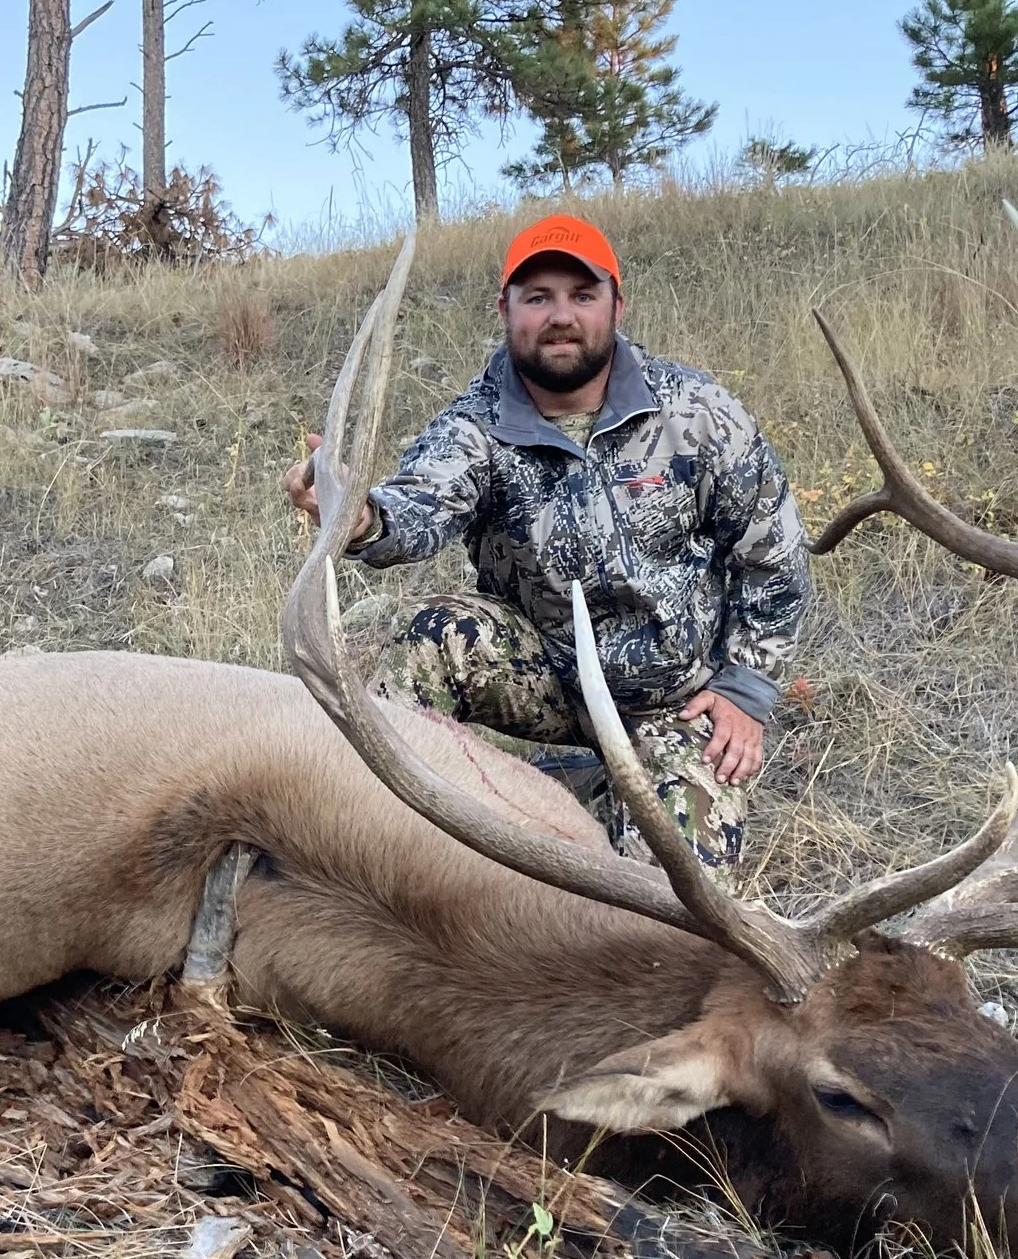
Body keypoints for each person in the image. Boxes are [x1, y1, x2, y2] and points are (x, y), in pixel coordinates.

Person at [283, 214, 809, 874]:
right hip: (547, 674)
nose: (561, 315)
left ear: (618, 304)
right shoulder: (478, 424)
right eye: (538, 297)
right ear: (505, 309)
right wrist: (360, 515)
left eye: (582, 295)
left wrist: (747, 689)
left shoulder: (698, 411)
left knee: (670, 910)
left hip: (676, 696)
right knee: (426, 634)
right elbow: (417, 503)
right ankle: (371, 854)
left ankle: (591, 788)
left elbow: (775, 558)